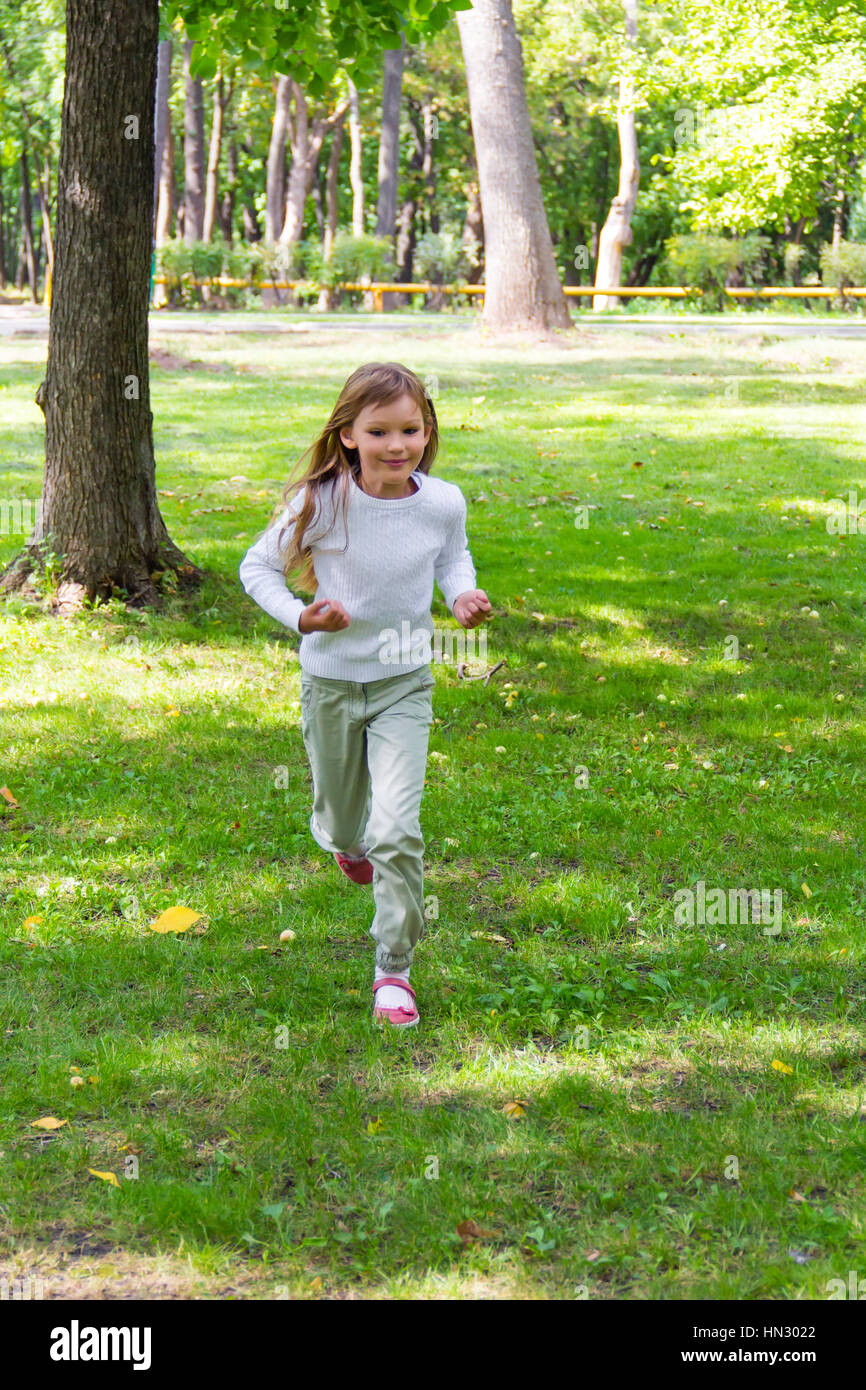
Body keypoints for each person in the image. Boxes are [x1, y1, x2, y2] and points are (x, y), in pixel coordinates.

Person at [239, 362, 491, 1030]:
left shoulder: (443, 502)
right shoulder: (321, 501)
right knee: (348, 826)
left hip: (404, 683)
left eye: (410, 429)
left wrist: (461, 595)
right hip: (330, 682)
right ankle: (344, 844)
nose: (397, 445)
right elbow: (257, 567)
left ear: (427, 430)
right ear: (348, 434)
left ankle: (393, 970)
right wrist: (301, 616)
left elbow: (451, 558)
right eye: (379, 431)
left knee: (396, 830)